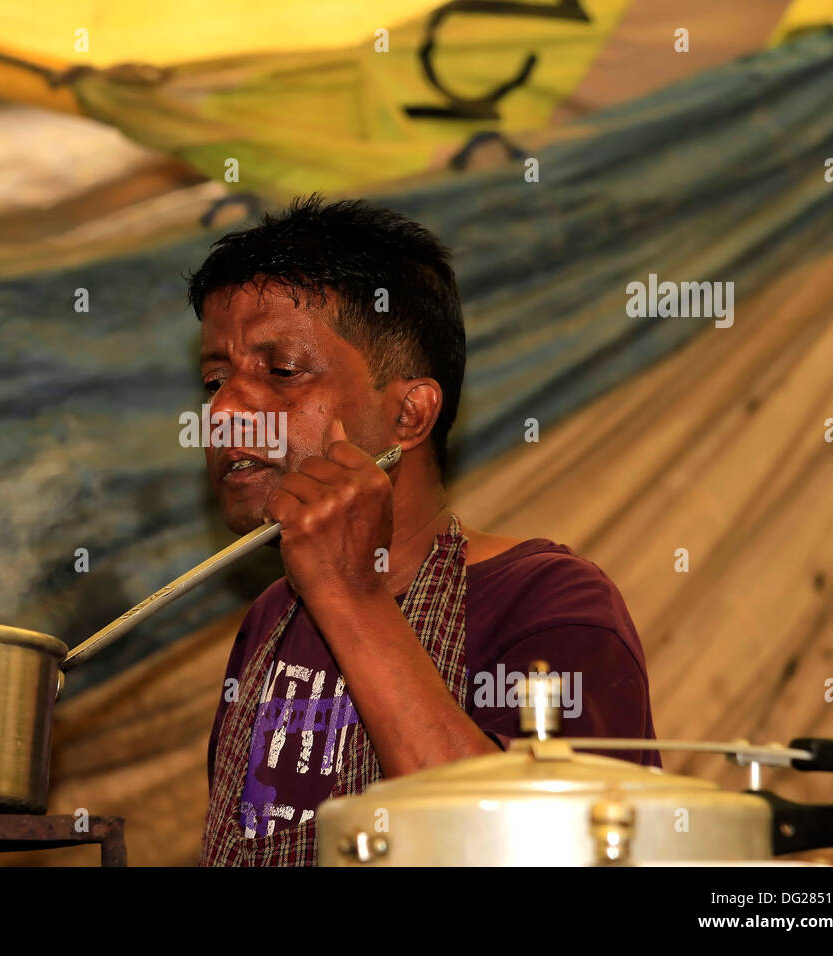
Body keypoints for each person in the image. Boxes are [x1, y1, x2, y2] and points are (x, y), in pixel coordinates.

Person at [189, 195, 658, 867]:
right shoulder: (270, 623)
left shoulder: (555, 605)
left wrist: (351, 596)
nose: (228, 411)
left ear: (410, 414)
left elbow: (528, 850)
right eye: (213, 382)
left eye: (282, 371)